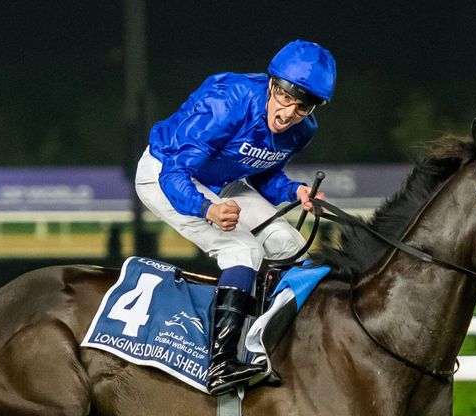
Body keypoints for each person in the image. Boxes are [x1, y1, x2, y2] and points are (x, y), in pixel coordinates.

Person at [135, 40, 335, 395]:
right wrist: (206, 209)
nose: (289, 113)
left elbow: (262, 175)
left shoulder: (304, 129)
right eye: (286, 96)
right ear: (273, 84)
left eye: (303, 106)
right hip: (165, 174)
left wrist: (296, 192)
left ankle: (268, 343)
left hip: (224, 181)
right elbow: (175, 173)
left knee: (294, 251)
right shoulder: (229, 101)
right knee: (244, 251)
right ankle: (220, 363)